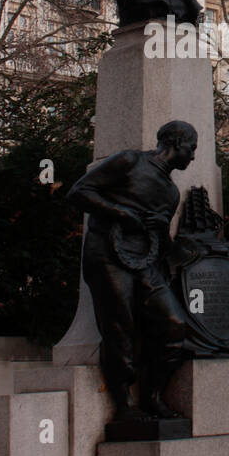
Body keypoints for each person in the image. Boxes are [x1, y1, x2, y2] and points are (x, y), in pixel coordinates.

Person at [67, 120, 198, 421]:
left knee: (174, 323)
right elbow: (77, 192)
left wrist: (173, 241)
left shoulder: (170, 192)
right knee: (119, 327)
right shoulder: (129, 161)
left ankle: (152, 397)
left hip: (146, 261)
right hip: (108, 256)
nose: (193, 156)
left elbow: (161, 243)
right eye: (191, 148)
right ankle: (124, 404)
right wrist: (122, 214)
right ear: (177, 142)